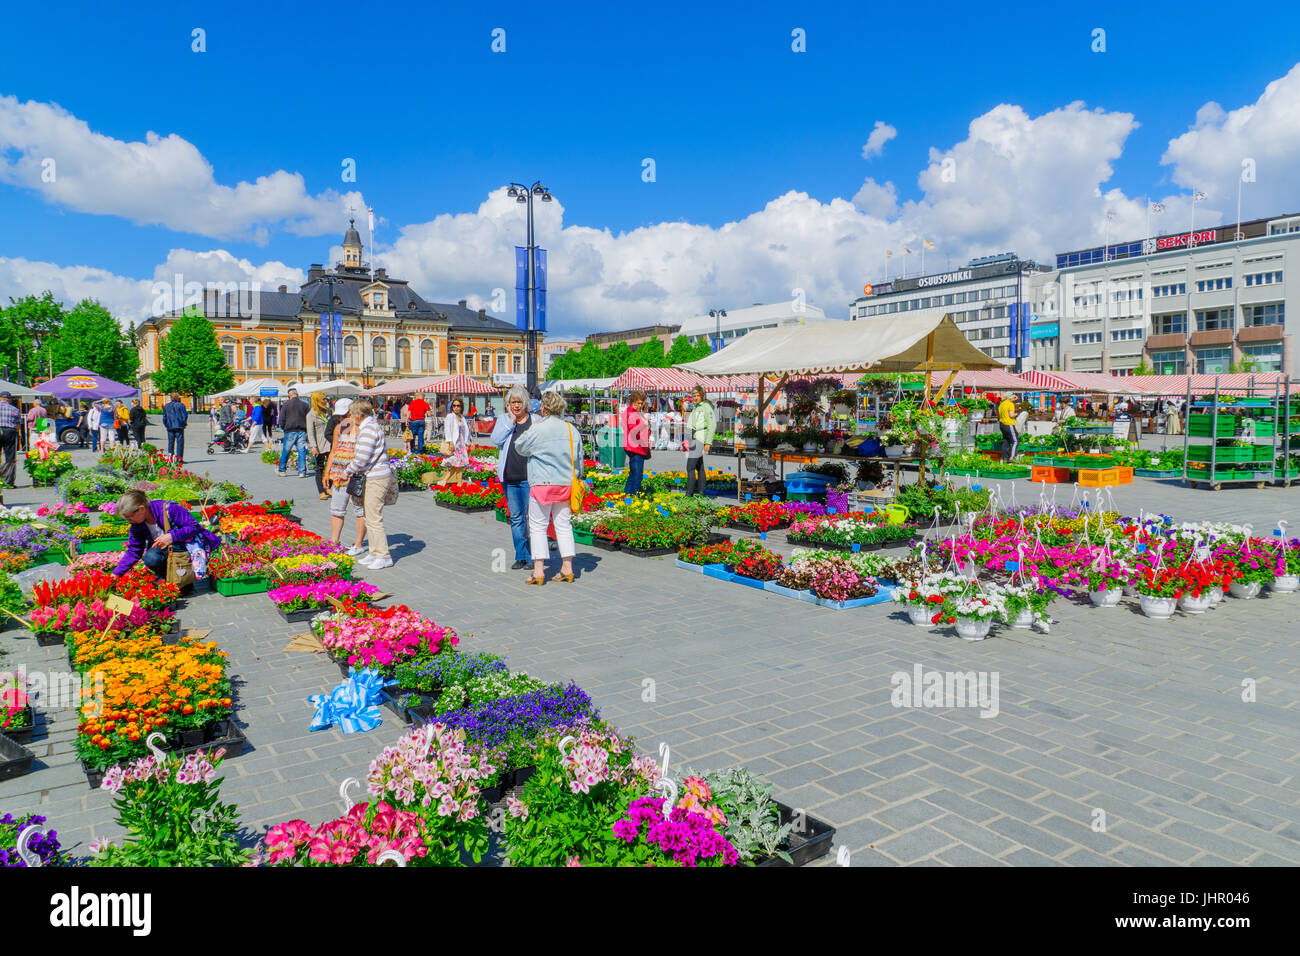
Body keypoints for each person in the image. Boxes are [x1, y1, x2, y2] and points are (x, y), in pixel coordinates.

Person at [512, 390, 584, 585]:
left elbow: (520, 446)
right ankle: (567, 567)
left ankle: (538, 570)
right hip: (565, 484)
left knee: (538, 526)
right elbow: (579, 459)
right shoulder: (571, 429)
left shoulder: (538, 428)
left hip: (542, 483)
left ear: (543, 408)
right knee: (563, 525)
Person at [111, 489, 221, 585]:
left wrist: (171, 536)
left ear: (141, 508)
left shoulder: (169, 508)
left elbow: (194, 527)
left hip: (187, 546)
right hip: (168, 551)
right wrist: (116, 574)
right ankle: (174, 582)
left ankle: (184, 580)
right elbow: (134, 551)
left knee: (154, 555)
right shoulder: (137, 525)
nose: (129, 521)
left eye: (129, 517)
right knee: (151, 558)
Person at [343, 398, 394, 570]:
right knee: (369, 516)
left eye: (351, 413)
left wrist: (346, 471)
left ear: (359, 414)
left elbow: (362, 458)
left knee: (373, 517)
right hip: (373, 475)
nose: (350, 416)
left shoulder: (368, 429)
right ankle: (374, 552)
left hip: (376, 477)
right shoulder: (369, 427)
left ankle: (383, 555)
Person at [492, 385, 534, 570]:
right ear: (508, 405)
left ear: (525, 402)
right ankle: (521, 555)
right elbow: (496, 439)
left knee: (532, 518)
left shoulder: (535, 420)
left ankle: (534, 556)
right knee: (516, 518)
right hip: (509, 478)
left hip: (529, 478)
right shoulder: (504, 419)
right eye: (512, 402)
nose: (516, 406)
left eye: (519, 402)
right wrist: (511, 421)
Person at [323, 398, 367, 554]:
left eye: (344, 415)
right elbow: (333, 451)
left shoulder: (363, 428)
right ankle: (333, 543)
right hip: (338, 475)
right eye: (339, 416)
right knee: (337, 509)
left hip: (357, 476)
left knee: (360, 510)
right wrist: (326, 472)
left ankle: (358, 544)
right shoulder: (339, 428)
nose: (341, 419)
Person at [683, 385, 716, 496]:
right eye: (694, 395)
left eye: (698, 395)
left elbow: (712, 425)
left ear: (702, 395)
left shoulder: (706, 407)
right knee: (699, 467)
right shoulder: (697, 406)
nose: (696, 397)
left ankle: (689, 494)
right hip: (694, 438)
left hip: (700, 439)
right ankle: (702, 492)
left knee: (690, 467)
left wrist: (708, 442)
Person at [622, 391, 651, 494]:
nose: (640, 405)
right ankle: (635, 496)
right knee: (638, 474)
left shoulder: (633, 412)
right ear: (632, 401)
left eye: (641, 403)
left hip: (635, 446)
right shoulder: (631, 413)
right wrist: (645, 424)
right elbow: (634, 430)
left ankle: (628, 495)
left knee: (633, 473)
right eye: (638, 403)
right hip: (635, 447)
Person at [278, 387, 310, 478]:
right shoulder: (305, 405)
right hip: (302, 430)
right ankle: (302, 472)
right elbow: (308, 418)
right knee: (302, 451)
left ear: (289, 395)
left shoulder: (286, 404)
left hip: (290, 430)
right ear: (297, 394)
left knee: (286, 451)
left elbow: (281, 419)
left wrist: (283, 428)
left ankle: (282, 470)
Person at [307, 391, 333, 501]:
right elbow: (310, 432)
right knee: (319, 468)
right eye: (323, 399)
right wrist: (313, 446)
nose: (325, 401)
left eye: (326, 399)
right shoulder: (311, 414)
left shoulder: (329, 412)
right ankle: (321, 491)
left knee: (331, 467)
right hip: (319, 444)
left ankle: (328, 487)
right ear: (317, 401)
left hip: (330, 442)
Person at [440, 398, 471, 483]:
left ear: (461, 407)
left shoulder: (462, 417)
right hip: (454, 443)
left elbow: (467, 430)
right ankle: (459, 484)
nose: (456, 407)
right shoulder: (450, 416)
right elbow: (447, 430)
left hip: (461, 443)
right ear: (452, 407)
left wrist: (470, 441)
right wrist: (450, 442)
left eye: (458, 406)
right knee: (458, 464)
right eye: (454, 406)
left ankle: (444, 481)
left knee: (457, 464)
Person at [0, 392, 19, 489]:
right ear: (9, 399)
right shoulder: (14, 409)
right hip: (10, 431)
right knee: (10, 457)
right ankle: (9, 481)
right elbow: (18, 424)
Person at [163, 392, 188, 461]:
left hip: (170, 426)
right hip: (179, 426)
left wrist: (166, 424)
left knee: (170, 443)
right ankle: (179, 458)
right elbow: (185, 415)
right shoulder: (181, 405)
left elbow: (164, 417)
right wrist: (183, 423)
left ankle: (171, 458)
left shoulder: (166, 406)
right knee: (180, 443)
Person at [996, 392, 1018, 461]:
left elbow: (998, 415)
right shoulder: (1010, 404)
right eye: (1013, 397)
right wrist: (1017, 414)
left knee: (1006, 441)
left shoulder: (1001, 404)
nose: (1014, 399)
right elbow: (1011, 415)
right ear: (1010, 397)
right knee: (1016, 441)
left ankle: (1005, 458)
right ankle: (1012, 457)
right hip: (1009, 424)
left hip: (1002, 424)